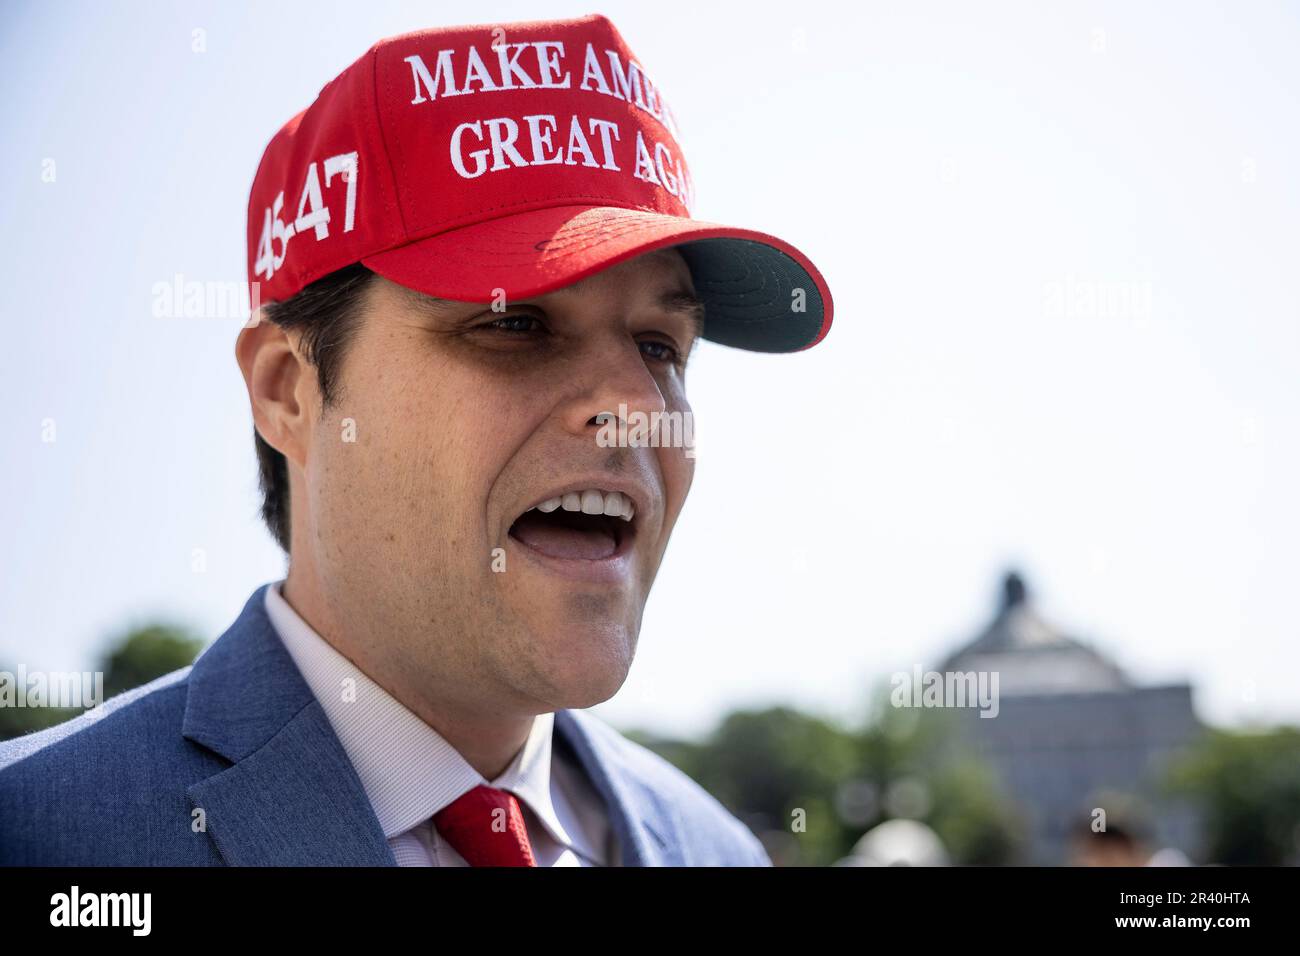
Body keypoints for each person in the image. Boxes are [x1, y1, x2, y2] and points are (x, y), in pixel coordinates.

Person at [0, 13, 832, 866]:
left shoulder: (718, 852)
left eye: (661, 346)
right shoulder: (35, 833)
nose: (633, 403)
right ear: (288, 390)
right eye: (516, 325)